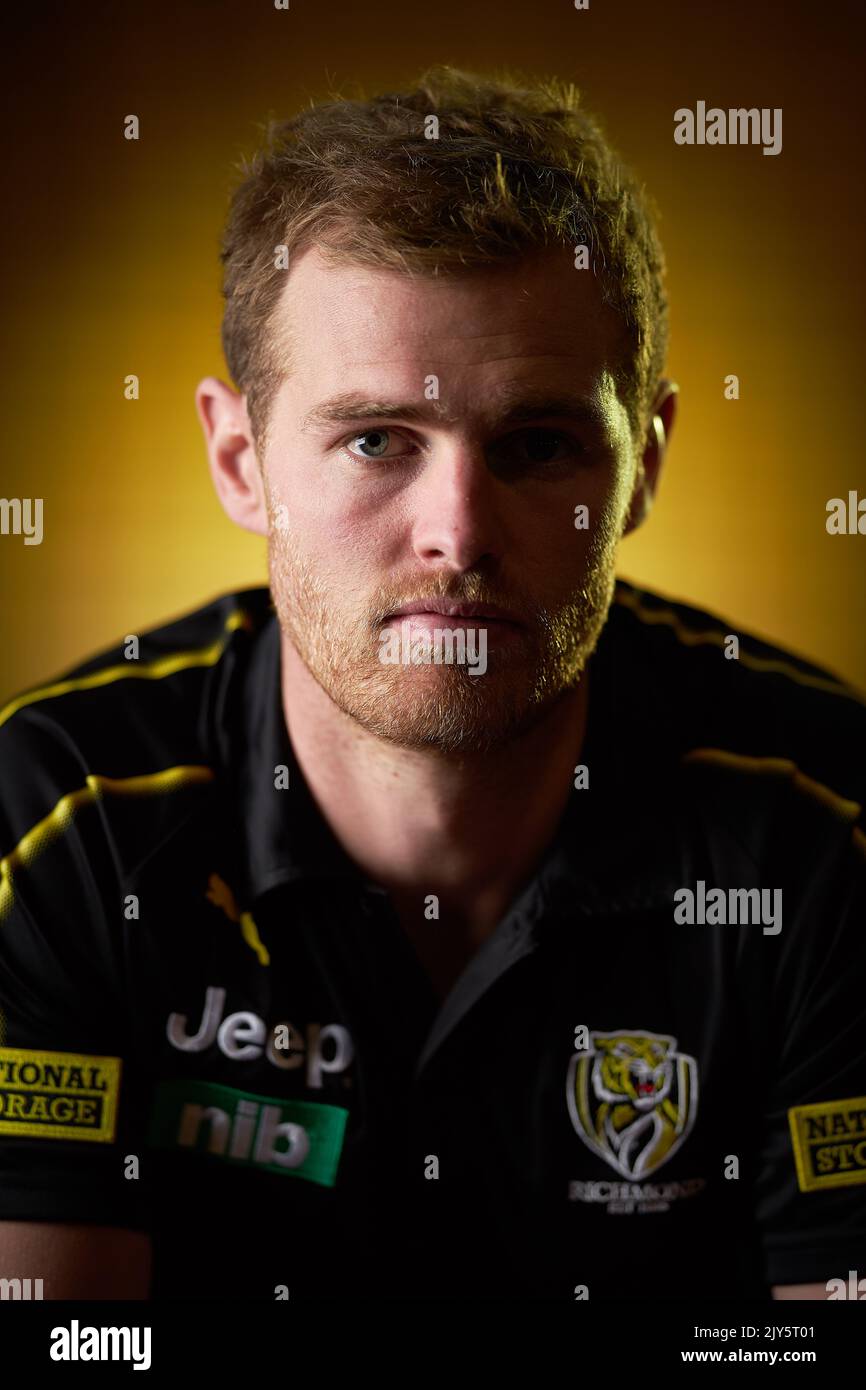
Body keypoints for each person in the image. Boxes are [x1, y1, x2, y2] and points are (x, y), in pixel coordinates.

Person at [0, 67, 863, 1302]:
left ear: (640, 468)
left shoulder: (821, 829)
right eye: (374, 440)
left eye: (535, 445)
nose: (456, 532)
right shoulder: (57, 824)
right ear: (242, 464)